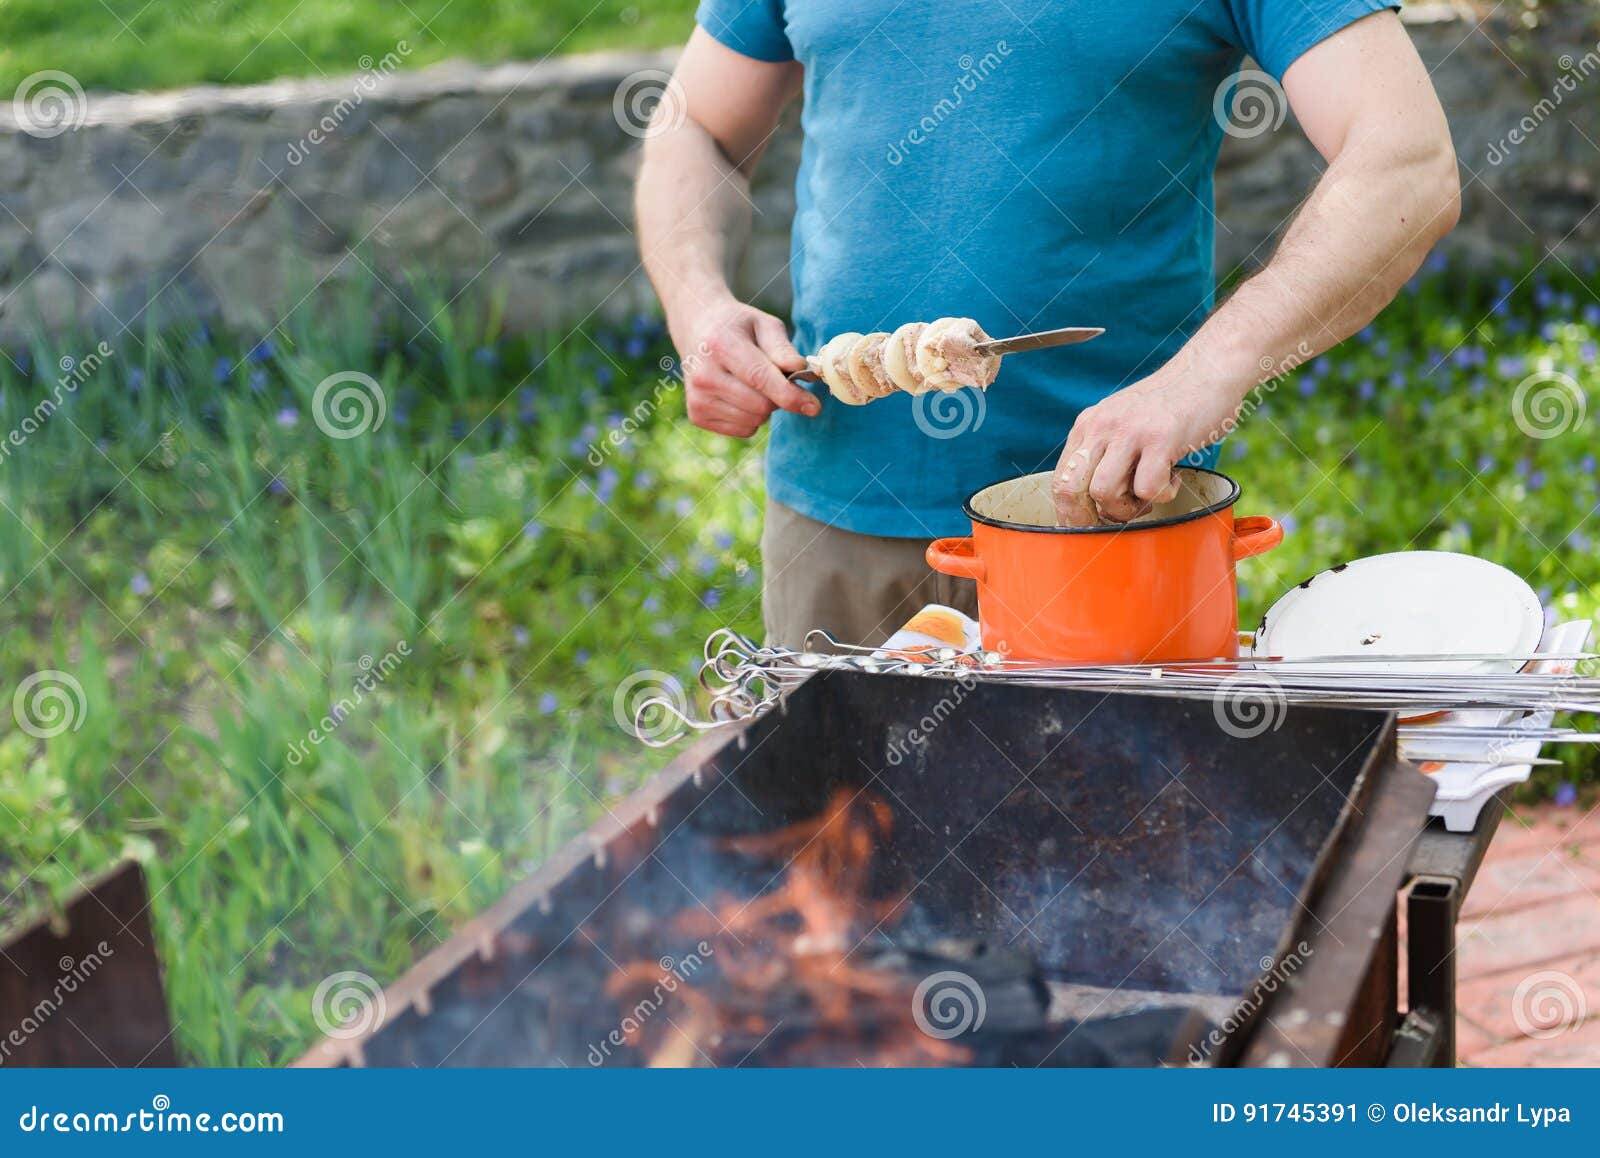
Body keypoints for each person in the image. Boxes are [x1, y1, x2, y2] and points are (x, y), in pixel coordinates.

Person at [635, 3, 1459, 648]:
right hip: (836, 525)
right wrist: (699, 308)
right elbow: (695, 128)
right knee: (840, 854)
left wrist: (1209, 375)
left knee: (1110, 853)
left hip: (1113, 529)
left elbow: (1406, 163)